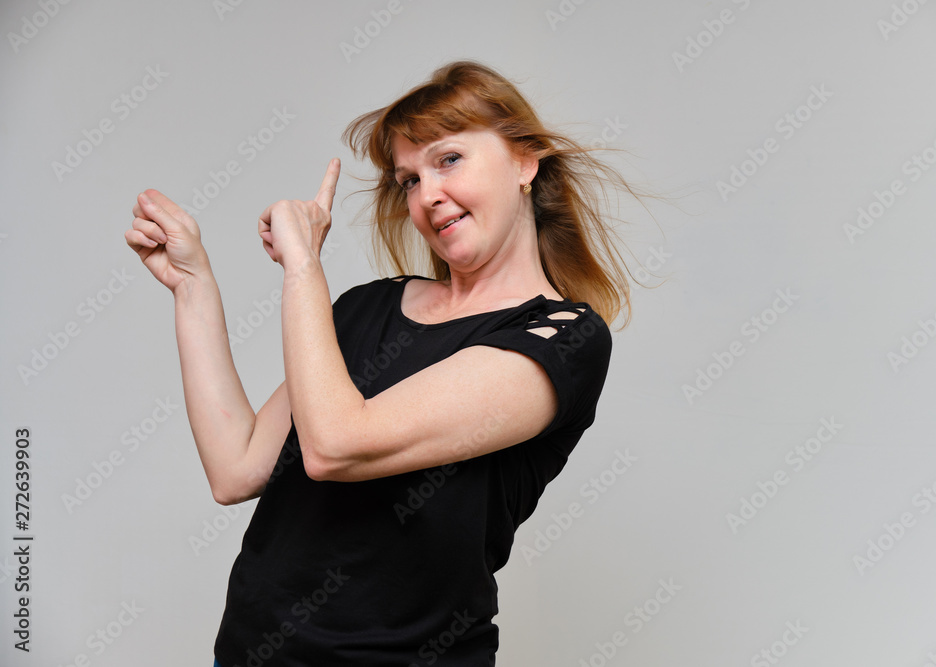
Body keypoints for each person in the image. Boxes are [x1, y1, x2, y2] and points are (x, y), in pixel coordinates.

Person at [125, 60, 643, 666]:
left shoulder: (561, 337)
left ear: (525, 162)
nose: (427, 195)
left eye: (448, 159)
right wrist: (193, 284)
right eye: (407, 180)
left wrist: (302, 269)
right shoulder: (366, 307)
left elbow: (337, 446)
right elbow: (236, 467)